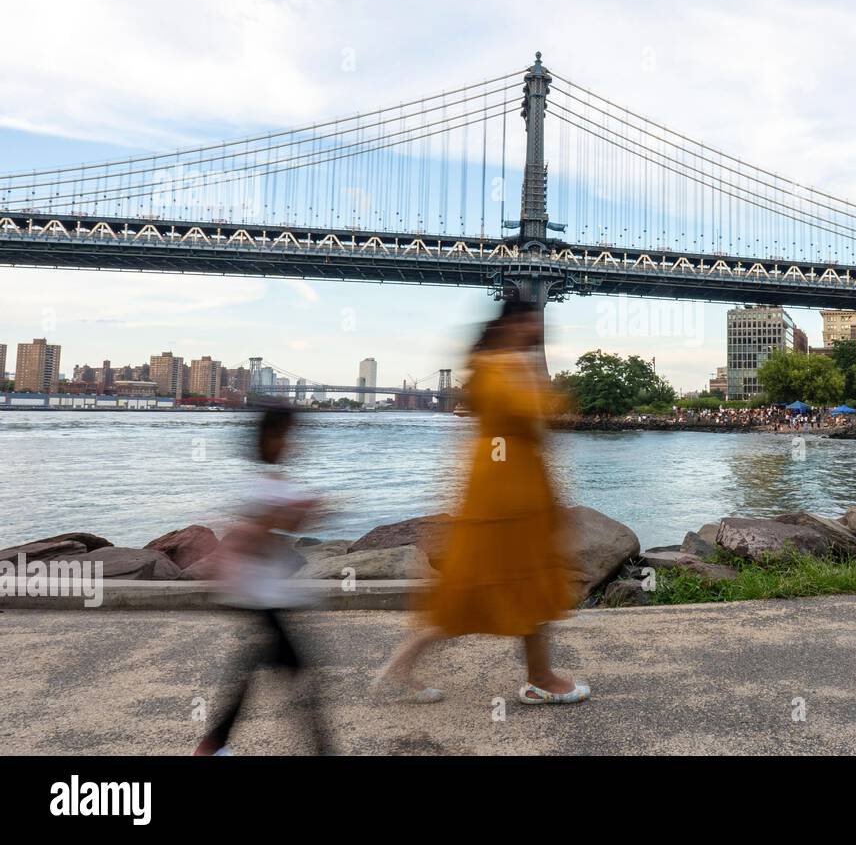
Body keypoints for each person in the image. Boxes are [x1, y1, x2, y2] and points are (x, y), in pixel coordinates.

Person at [376, 299, 589, 705]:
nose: (538, 328)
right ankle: (538, 677)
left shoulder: (499, 365)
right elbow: (532, 413)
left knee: (517, 588)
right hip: (503, 497)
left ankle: (538, 677)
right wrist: (544, 388)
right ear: (514, 322)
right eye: (532, 320)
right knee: (481, 592)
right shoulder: (498, 368)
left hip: (516, 490)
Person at [194, 406, 331, 755]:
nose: (293, 442)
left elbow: (288, 524)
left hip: (263, 595)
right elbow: (254, 533)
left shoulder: (273, 483)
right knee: (300, 678)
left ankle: (213, 745)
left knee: (255, 671)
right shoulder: (264, 486)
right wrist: (297, 512)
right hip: (261, 596)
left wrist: (303, 511)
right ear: (269, 439)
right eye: (286, 435)